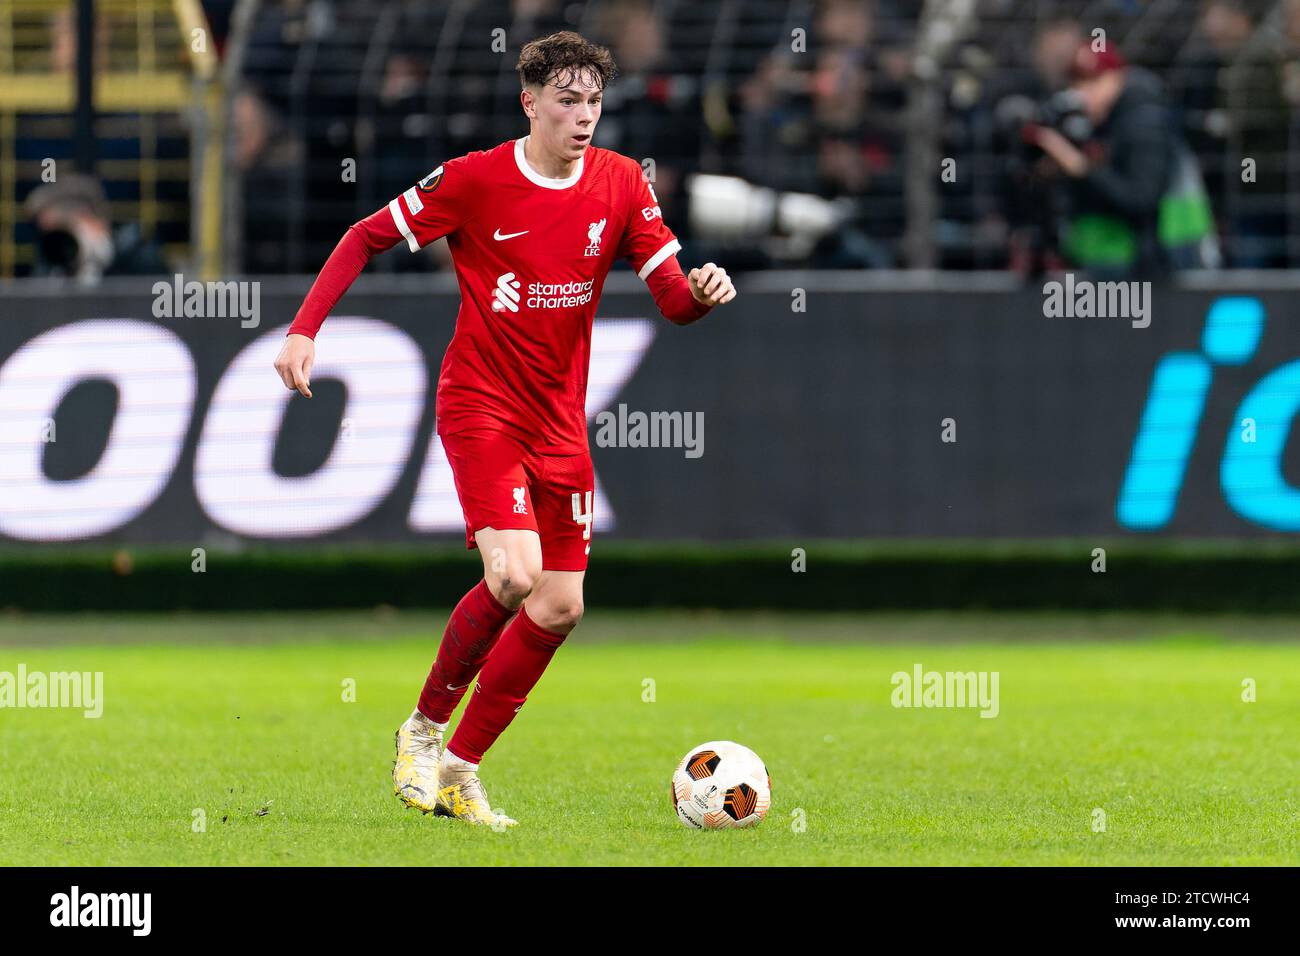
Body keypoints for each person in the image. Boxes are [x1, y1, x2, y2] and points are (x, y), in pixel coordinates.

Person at [273, 31, 736, 827]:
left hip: (560, 422)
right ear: (530, 103)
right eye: (567, 101)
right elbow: (364, 236)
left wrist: (699, 292)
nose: (583, 117)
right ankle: (420, 730)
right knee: (514, 575)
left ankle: (460, 770)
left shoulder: (624, 183)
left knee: (560, 607)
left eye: (594, 101)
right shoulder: (475, 179)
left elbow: (668, 295)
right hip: (481, 405)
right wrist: (304, 329)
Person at [24, 174, 170, 283]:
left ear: (90, 221)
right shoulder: (52, 265)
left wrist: (105, 261)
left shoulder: (138, 256)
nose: (60, 243)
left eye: (63, 231)